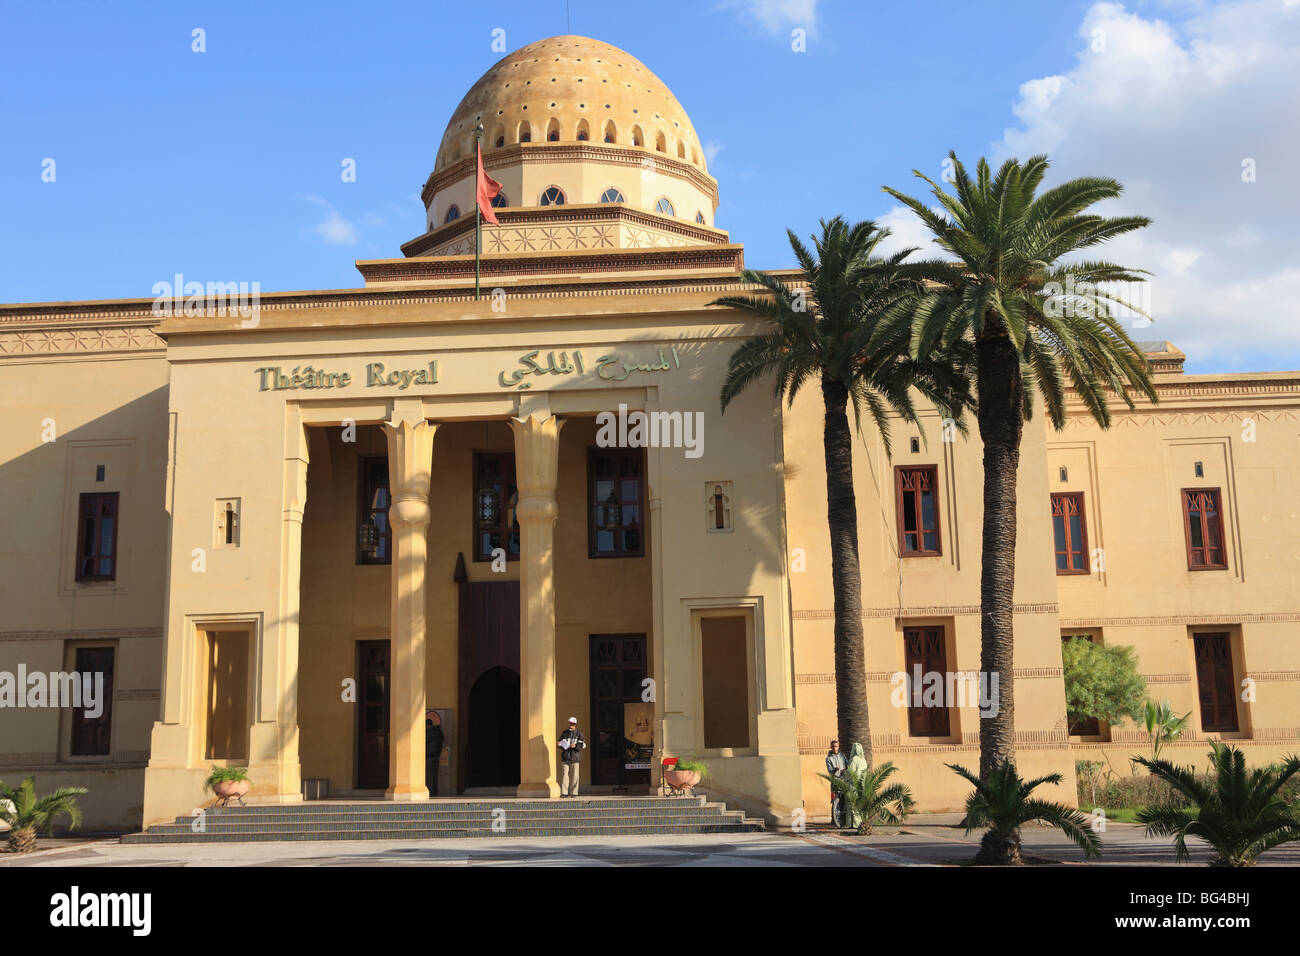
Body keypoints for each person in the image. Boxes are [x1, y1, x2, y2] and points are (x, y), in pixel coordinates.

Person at [557, 716, 586, 797]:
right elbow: (560, 742)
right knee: (564, 775)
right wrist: (559, 745)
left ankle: (574, 793)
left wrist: (575, 746)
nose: (571, 724)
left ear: (575, 724)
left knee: (575, 776)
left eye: (573, 723)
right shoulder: (564, 733)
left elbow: (583, 745)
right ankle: (564, 793)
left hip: (575, 757)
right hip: (565, 757)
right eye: (570, 723)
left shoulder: (579, 733)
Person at [825, 739, 846, 827]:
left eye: (836, 746)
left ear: (838, 747)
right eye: (833, 746)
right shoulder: (828, 758)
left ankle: (844, 820)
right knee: (834, 800)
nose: (835, 748)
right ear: (831, 747)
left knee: (845, 799)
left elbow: (847, 764)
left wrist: (845, 770)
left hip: (843, 780)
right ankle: (834, 820)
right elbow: (830, 771)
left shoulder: (842, 756)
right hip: (835, 781)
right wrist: (835, 770)